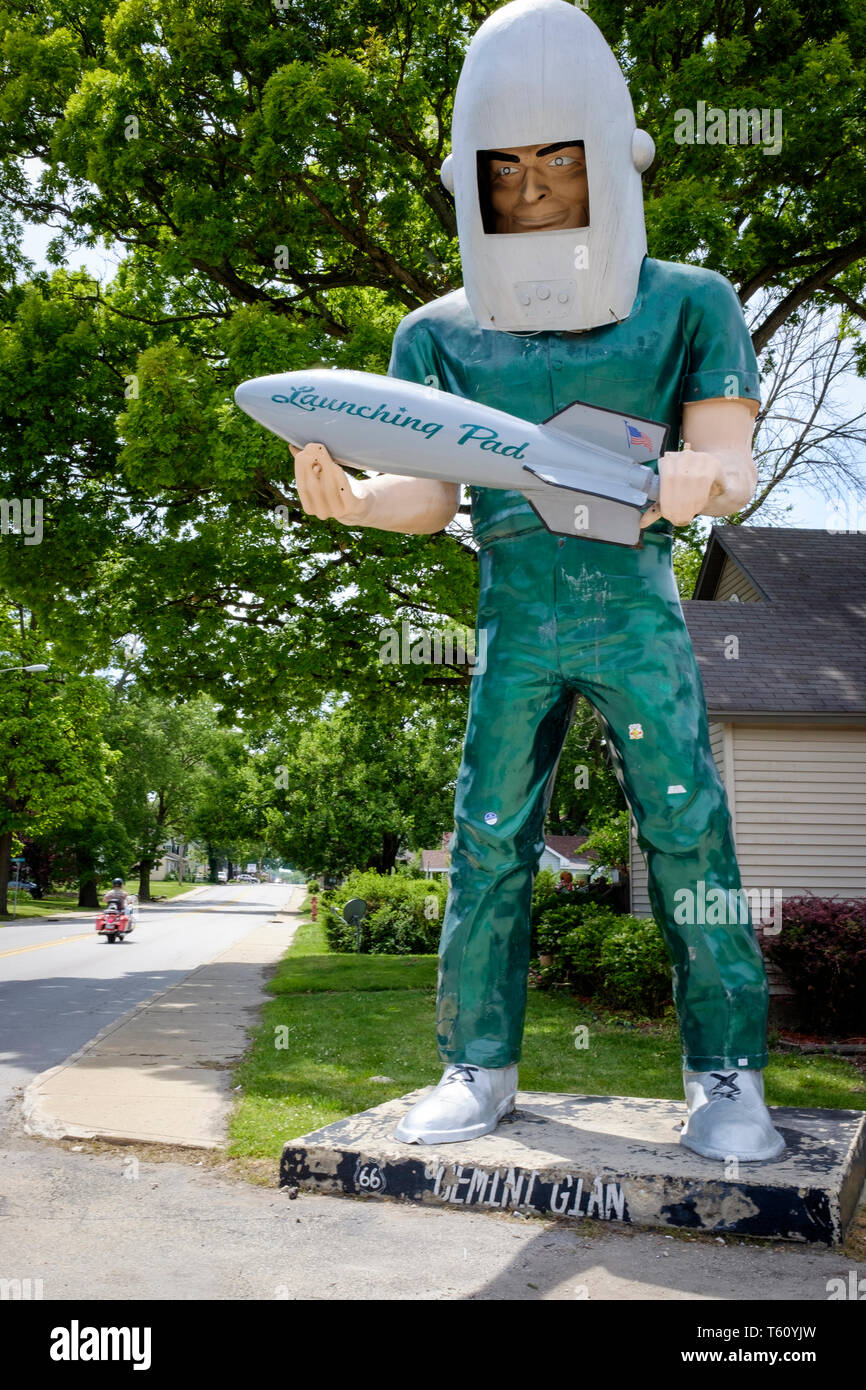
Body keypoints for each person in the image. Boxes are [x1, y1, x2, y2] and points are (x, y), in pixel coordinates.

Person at [291, 0, 783, 1162]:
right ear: (471, 179)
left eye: (552, 166)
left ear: (610, 163)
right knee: (485, 836)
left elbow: (733, 468)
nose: (529, 188)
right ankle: (476, 1063)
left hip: (634, 603)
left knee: (687, 831)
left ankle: (725, 1070)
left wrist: (684, 481)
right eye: (503, 171)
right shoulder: (435, 335)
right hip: (511, 607)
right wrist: (357, 502)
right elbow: (427, 495)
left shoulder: (687, 301)